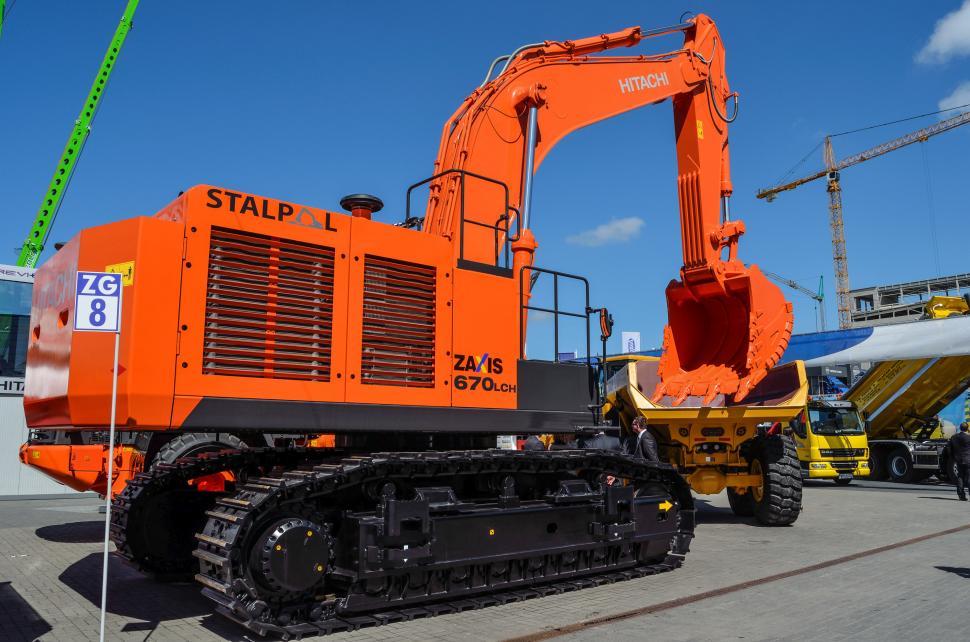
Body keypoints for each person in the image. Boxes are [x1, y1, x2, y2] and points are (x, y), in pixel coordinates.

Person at [948, 422, 970, 501]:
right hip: (968, 460)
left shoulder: (954, 437)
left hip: (958, 460)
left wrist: (954, 458)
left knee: (960, 477)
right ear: (967, 428)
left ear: (960, 428)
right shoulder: (968, 437)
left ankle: (961, 495)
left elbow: (950, 450)